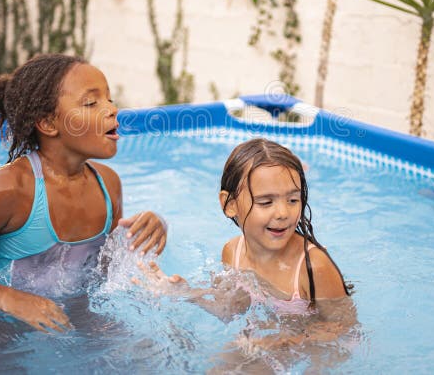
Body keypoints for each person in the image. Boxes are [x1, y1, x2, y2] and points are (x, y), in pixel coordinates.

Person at [0, 54, 167, 333]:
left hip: (73, 321)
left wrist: (146, 232)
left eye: (109, 99)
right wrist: (8, 298)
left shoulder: (108, 184)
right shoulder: (7, 190)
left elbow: (105, 273)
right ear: (48, 124)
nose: (111, 110)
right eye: (91, 103)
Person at [139, 138, 356, 345]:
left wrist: (282, 342)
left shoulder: (313, 267)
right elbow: (230, 309)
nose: (282, 212)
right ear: (229, 204)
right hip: (260, 342)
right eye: (265, 202)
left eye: (292, 200)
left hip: (307, 349)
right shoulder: (232, 252)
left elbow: (344, 328)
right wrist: (188, 294)